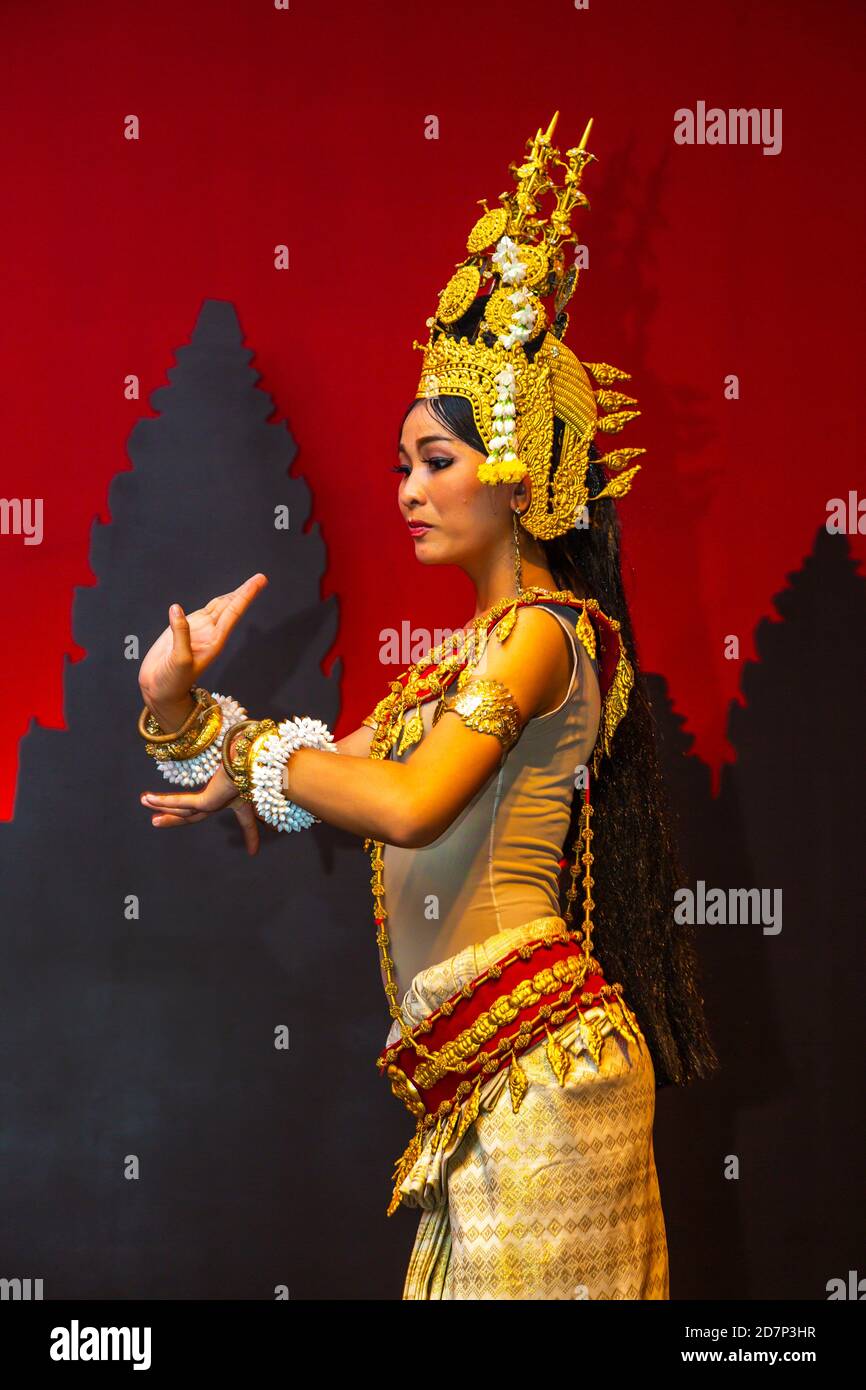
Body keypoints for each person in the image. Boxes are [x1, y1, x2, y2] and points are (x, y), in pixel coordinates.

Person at [135, 112, 720, 1300]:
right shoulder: (456, 666)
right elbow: (331, 777)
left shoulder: (546, 641)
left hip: (546, 1082)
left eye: (434, 460)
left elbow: (400, 806)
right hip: (484, 1087)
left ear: (517, 470)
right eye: (400, 462)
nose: (405, 487)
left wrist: (240, 744)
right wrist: (184, 716)